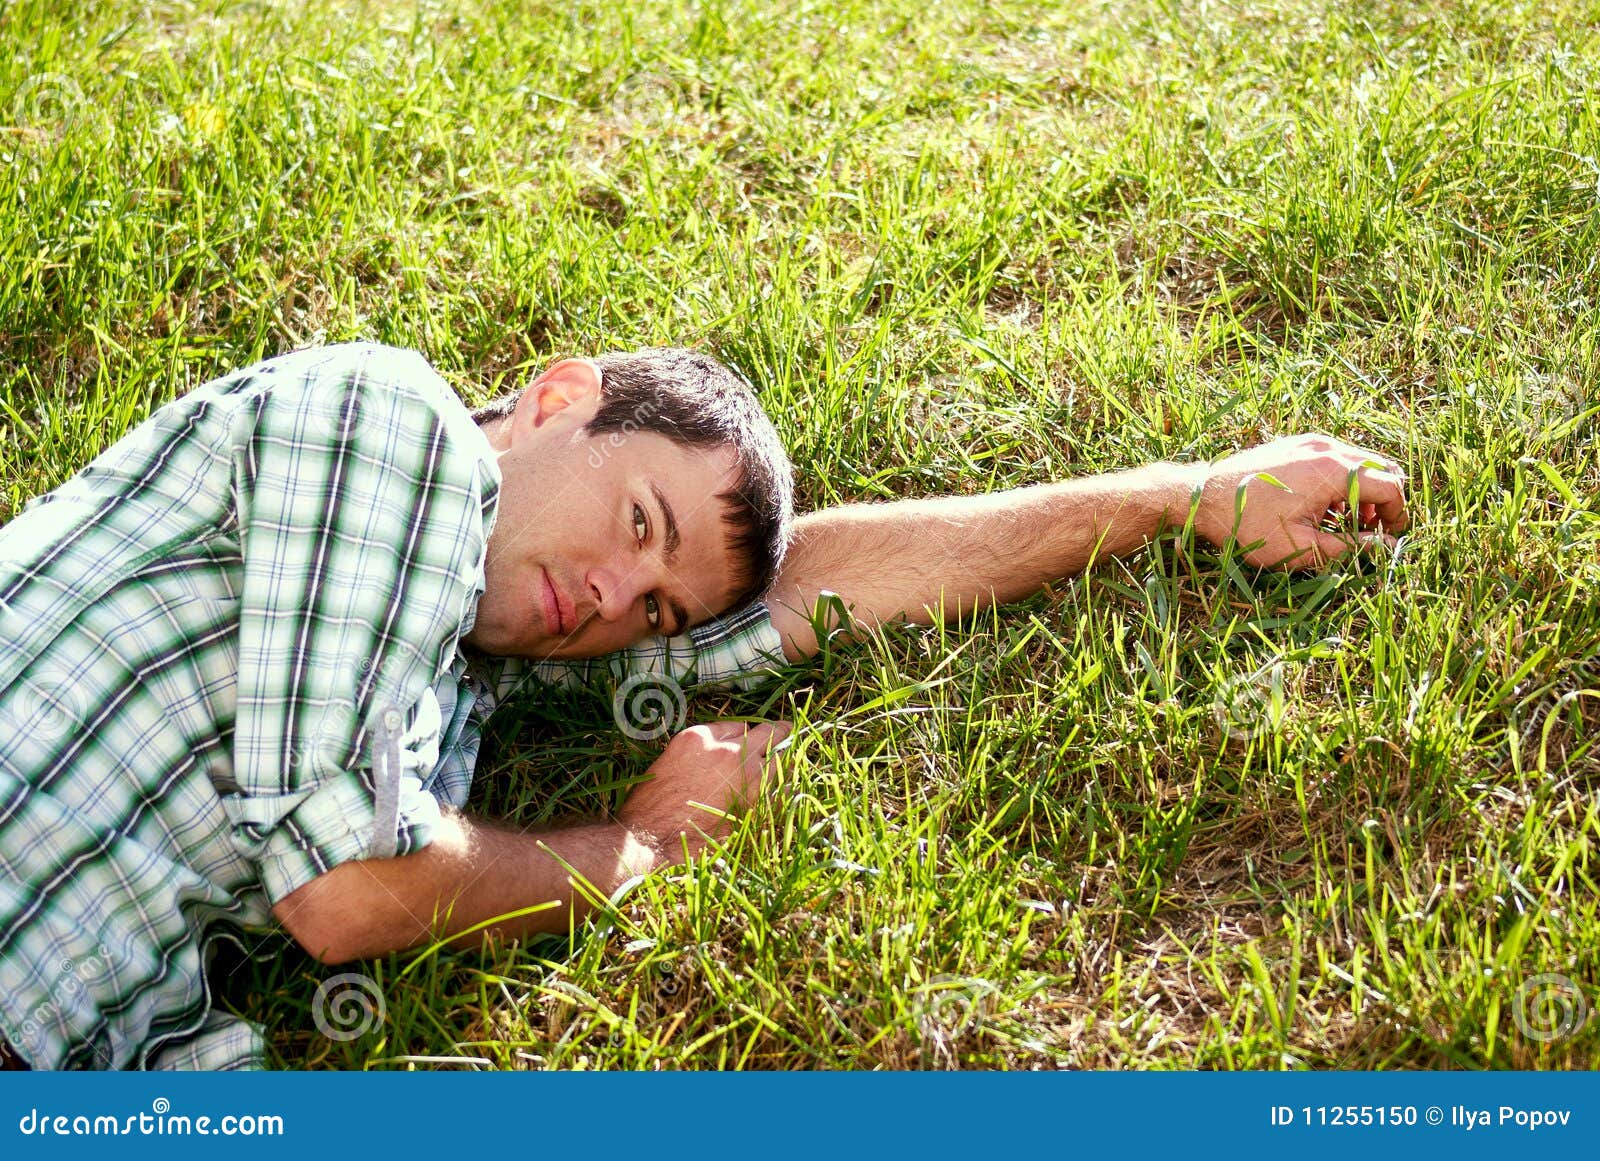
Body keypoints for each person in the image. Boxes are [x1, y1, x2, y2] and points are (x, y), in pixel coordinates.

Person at [0, 341, 1408, 1070]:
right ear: (559, 398)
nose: (614, 599)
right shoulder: (395, 431)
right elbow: (350, 896)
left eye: (654, 608)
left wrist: (1180, 493)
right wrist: (645, 846)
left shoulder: (467, 671)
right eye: (635, 518)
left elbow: (804, 588)